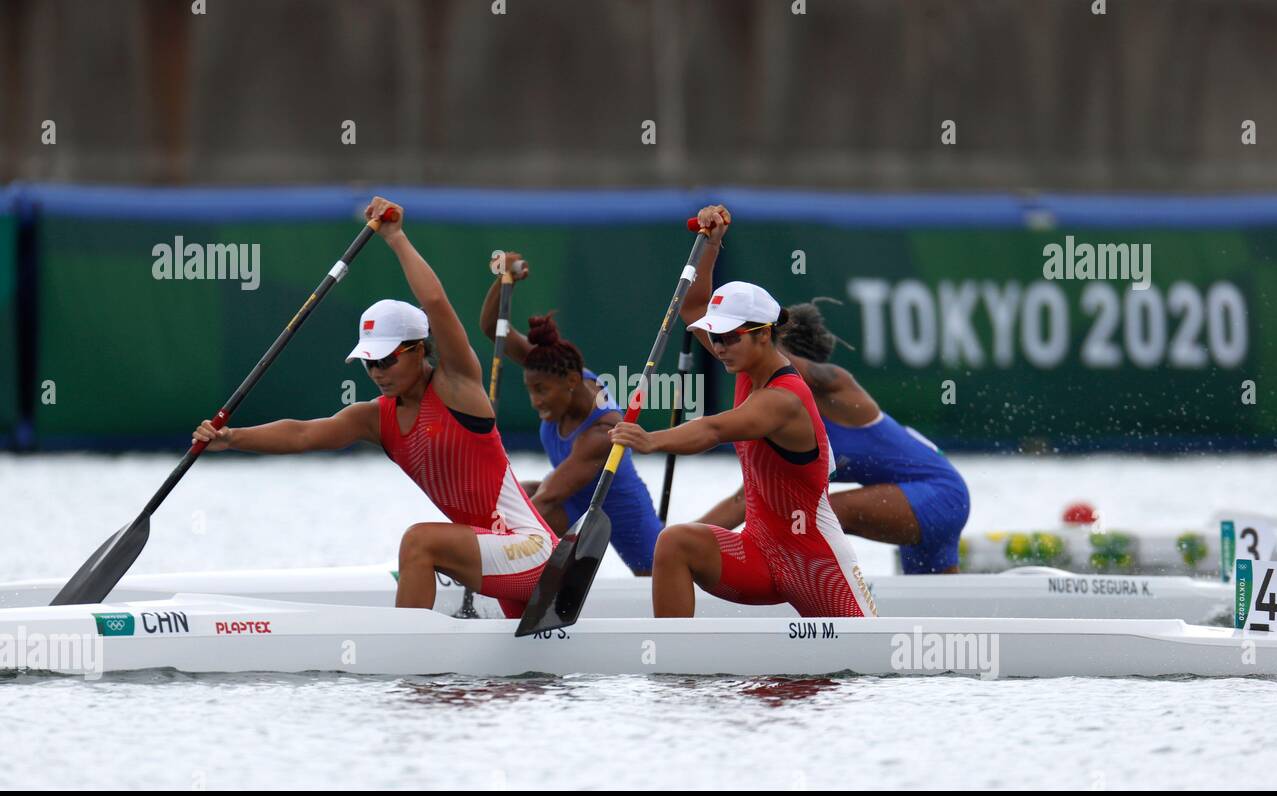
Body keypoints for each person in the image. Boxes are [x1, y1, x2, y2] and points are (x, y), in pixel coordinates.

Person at [191, 197, 556, 617]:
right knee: (516, 687)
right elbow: (304, 433)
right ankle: (418, 662)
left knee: (419, 542)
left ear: (419, 351)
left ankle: (404, 654)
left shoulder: (457, 385)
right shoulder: (373, 418)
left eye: (387, 359)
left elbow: (436, 304)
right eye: (369, 362)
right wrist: (232, 438)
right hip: (496, 560)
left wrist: (396, 238)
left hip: (532, 553)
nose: (378, 372)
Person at [607, 206, 876, 618]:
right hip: (759, 554)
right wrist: (712, 243)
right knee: (674, 543)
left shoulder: (784, 399)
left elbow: (713, 429)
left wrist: (650, 439)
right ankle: (672, 666)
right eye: (715, 337)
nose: (719, 347)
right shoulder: (746, 362)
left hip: (815, 563)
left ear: (764, 335)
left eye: (730, 337)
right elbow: (693, 306)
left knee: (864, 672)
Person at [699, 295, 971, 574]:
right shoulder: (783, 418)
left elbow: (771, 359)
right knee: (935, 609)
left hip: (939, 494)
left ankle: (808, 593)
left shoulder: (834, 385)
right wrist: (679, 543)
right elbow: (743, 502)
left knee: (815, 516)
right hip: (905, 501)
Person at [477, 253, 662, 575]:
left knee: (653, 569)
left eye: (542, 392)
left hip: (622, 516)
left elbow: (549, 498)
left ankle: (491, 569)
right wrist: (502, 280)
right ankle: (490, 570)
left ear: (573, 383)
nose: (535, 401)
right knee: (506, 496)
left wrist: (494, 546)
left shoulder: (602, 431)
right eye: (531, 390)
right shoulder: (552, 367)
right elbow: (495, 329)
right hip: (573, 505)